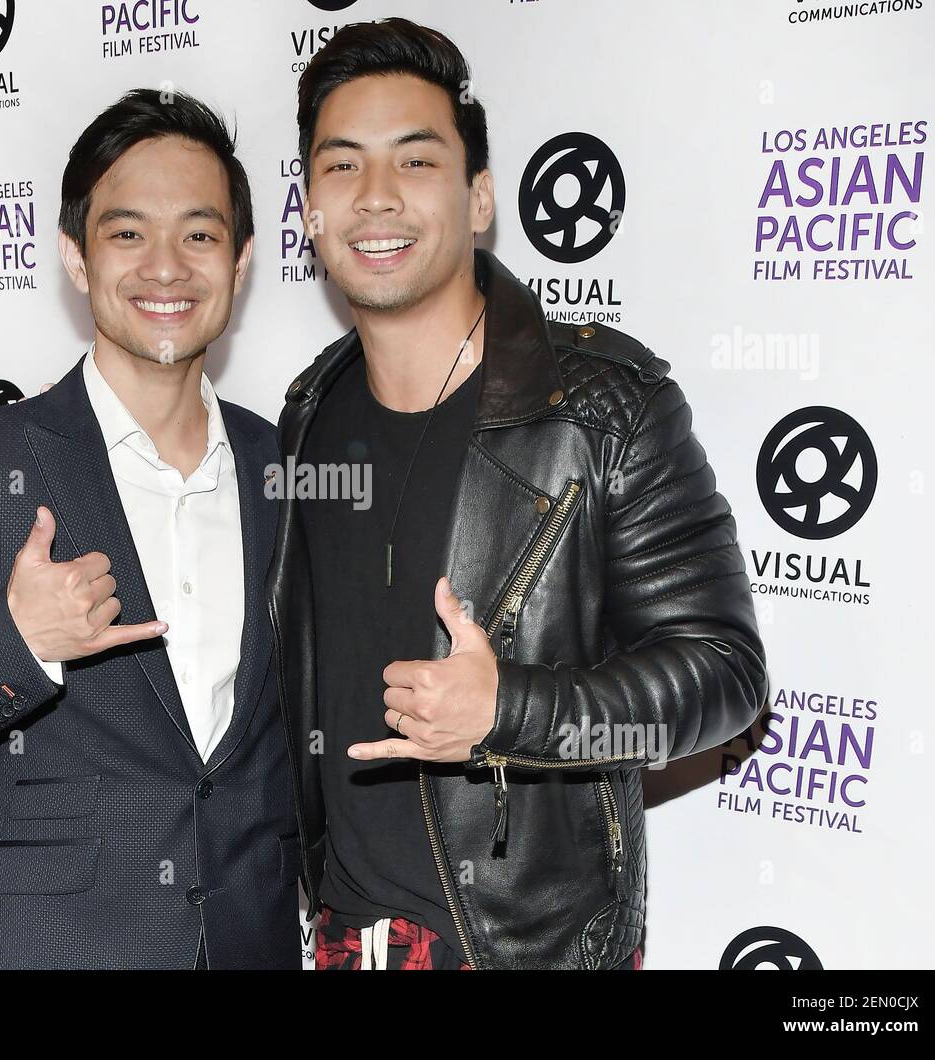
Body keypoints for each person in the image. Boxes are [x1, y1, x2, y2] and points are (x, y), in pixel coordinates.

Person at [268, 18, 769, 970]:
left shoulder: (602, 407)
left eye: (415, 163)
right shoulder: (307, 410)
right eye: (342, 168)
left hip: (529, 947)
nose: (376, 198)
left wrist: (509, 714)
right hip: (342, 937)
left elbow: (724, 676)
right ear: (310, 209)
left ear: (481, 195)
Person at [0, 89, 300, 970]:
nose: (165, 267)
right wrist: (17, 641)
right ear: (75, 256)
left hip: (254, 939)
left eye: (200, 235)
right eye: (128, 233)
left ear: (242, 262)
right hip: (63, 948)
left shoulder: (282, 464)